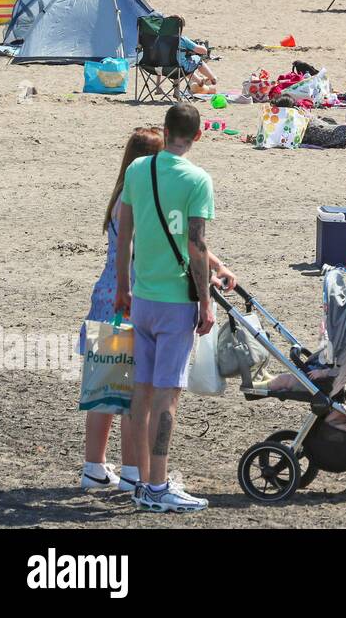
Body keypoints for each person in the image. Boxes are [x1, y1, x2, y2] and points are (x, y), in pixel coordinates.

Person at [114, 104, 236, 513]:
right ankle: (158, 485)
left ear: (165, 132)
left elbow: (125, 233)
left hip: (143, 297)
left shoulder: (137, 171)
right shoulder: (198, 179)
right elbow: (196, 245)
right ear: (197, 136)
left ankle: (142, 477)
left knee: (142, 392)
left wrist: (123, 288)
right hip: (173, 303)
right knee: (168, 395)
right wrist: (205, 301)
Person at [80, 127, 164, 494]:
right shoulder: (139, 202)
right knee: (134, 395)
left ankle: (93, 467)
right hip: (129, 301)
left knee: (104, 391)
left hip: (104, 299)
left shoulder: (119, 197)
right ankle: (132, 473)